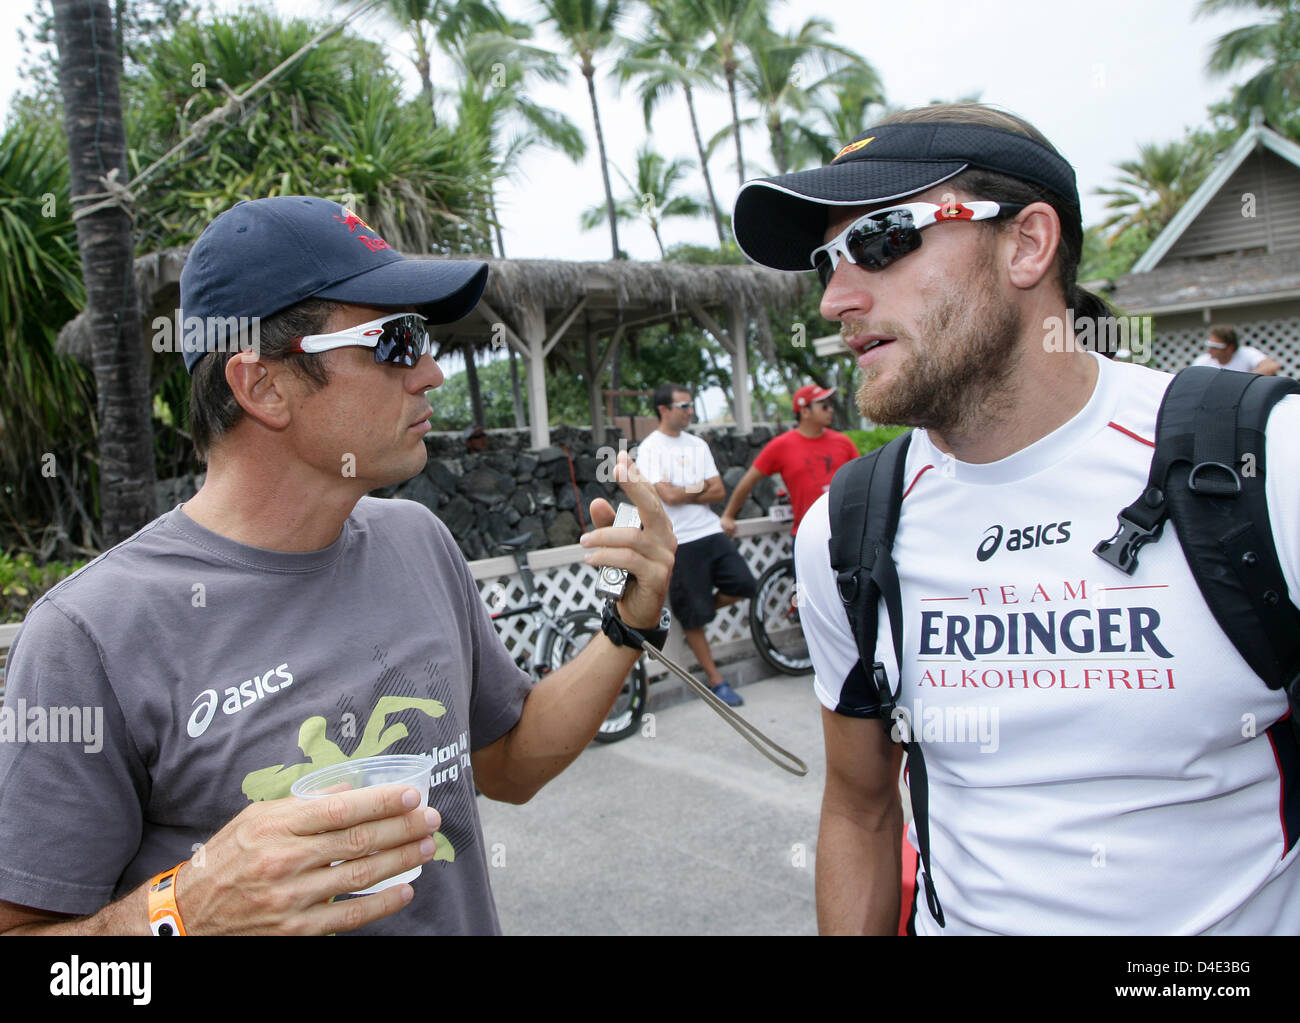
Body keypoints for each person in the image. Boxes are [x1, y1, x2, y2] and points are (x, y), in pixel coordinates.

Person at [0, 196, 674, 936]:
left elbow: (509, 763)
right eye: (395, 341)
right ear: (262, 386)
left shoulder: (417, 540)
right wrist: (181, 910)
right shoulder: (90, 636)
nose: (430, 373)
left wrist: (625, 623)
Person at [732, 103, 1300, 935]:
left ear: (1028, 245)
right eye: (827, 262)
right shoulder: (849, 528)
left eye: (882, 240)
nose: (836, 299)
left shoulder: (1265, 459)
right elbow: (858, 810)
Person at [634, 383, 755, 707]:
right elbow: (668, 496)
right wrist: (698, 487)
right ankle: (718, 682)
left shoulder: (697, 444)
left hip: (710, 531)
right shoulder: (650, 448)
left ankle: (699, 609)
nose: (690, 411)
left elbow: (718, 492)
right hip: (681, 541)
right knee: (693, 619)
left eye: (690, 406)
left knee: (745, 584)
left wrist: (685, 489)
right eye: (684, 406)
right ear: (664, 409)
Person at [719, 384, 859, 538]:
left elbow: (862, 480)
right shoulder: (781, 445)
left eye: (830, 405)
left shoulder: (843, 442)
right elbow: (748, 480)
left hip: (847, 531)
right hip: (808, 535)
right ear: (805, 411)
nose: (830, 410)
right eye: (824, 406)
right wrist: (728, 515)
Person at [1192, 324, 1282, 375]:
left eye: (1216, 347)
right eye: (1209, 345)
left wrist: (1245, 380)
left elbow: (1272, 366)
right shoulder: (1202, 361)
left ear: (1230, 348)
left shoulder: (1247, 353)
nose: (1209, 350)